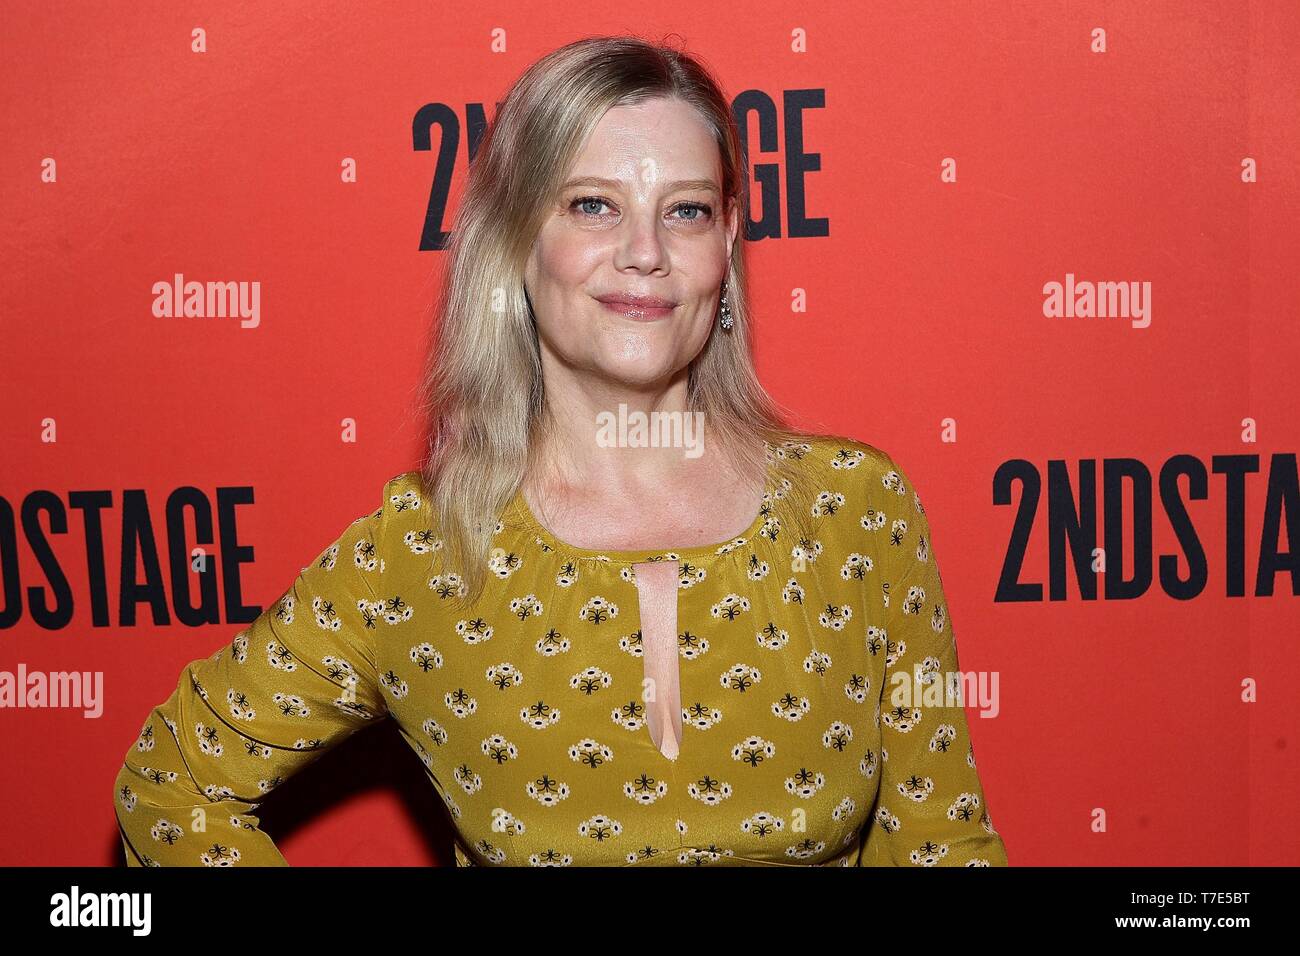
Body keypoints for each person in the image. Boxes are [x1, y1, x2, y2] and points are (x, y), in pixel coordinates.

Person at [113, 35, 1008, 867]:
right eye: (593, 205)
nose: (645, 253)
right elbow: (173, 786)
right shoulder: (423, 551)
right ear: (513, 243)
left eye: (686, 211)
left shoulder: (858, 512)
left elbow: (942, 844)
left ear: (726, 246)